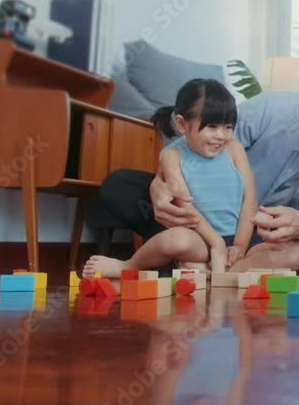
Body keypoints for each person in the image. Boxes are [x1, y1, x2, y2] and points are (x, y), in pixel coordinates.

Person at [95, 77, 299, 273]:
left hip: (259, 240)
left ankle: (214, 271)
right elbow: (192, 142)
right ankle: (191, 255)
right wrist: (162, 183)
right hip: (199, 217)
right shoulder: (273, 109)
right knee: (119, 186)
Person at [83, 79, 257, 278]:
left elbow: (249, 199)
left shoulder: (235, 149)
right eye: (212, 126)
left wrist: (239, 247)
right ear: (182, 124)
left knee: (293, 253)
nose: (221, 135)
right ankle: (129, 266)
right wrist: (216, 243)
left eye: (228, 127)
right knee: (177, 240)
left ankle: (207, 271)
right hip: (200, 239)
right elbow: (184, 206)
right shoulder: (171, 155)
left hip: (237, 238)